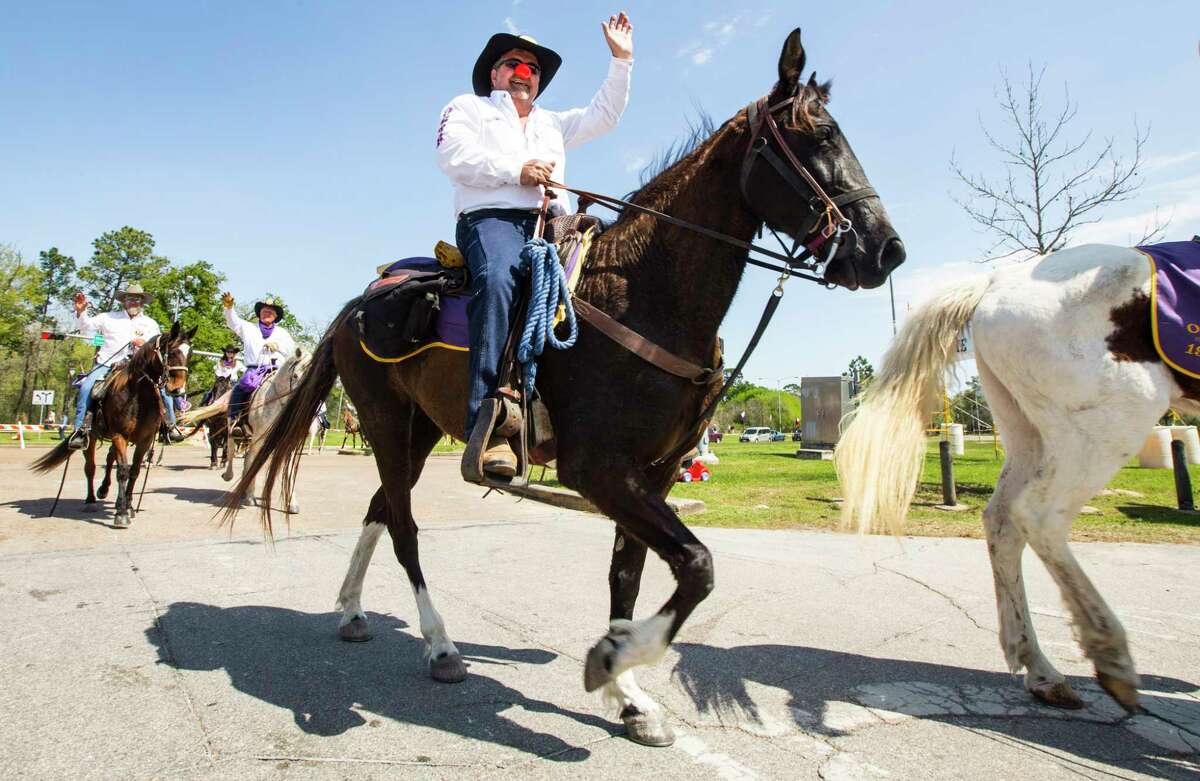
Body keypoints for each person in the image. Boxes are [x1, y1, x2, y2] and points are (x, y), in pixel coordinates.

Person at [436, 12, 634, 478]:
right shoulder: (469, 108)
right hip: (491, 220)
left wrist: (622, 59)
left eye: (533, 68)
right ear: (495, 74)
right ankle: (490, 426)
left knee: (611, 282)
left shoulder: (554, 124)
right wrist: (517, 170)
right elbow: (452, 156)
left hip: (557, 224)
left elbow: (604, 114)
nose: (524, 72)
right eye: (514, 64)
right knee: (501, 279)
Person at [68, 283, 184, 449]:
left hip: (140, 368)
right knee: (87, 387)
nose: (133, 302)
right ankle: (80, 430)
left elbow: (157, 348)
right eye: (129, 299)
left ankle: (170, 427)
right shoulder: (107, 317)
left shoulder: (151, 324)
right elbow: (85, 327)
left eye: (137, 299)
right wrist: (81, 311)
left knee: (164, 391)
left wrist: (145, 344)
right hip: (108, 364)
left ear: (142, 302)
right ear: (123, 301)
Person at [221, 294, 296, 434]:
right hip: (254, 371)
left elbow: (292, 349)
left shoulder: (283, 333)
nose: (266, 313)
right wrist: (229, 307)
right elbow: (233, 322)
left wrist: (277, 345)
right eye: (264, 311)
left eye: (270, 312)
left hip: (277, 372)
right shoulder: (249, 328)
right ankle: (236, 421)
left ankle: (294, 424)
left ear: (275, 316)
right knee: (240, 389)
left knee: (295, 391)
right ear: (259, 314)